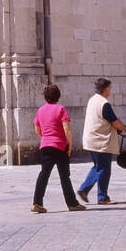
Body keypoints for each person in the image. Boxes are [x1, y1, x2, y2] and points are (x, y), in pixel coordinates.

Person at [31, 84, 84, 213]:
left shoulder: (40, 110)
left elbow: (37, 129)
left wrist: (45, 138)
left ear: (45, 96)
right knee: (64, 176)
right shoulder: (61, 109)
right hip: (60, 146)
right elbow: (67, 129)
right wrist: (70, 145)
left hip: (45, 146)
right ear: (58, 95)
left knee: (44, 174)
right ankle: (72, 204)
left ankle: (37, 203)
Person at [77, 78, 126, 205]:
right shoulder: (104, 103)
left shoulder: (92, 100)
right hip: (101, 141)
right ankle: (102, 197)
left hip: (91, 139)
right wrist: (125, 128)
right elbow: (115, 122)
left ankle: (84, 189)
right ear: (106, 89)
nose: (110, 91)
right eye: (109, 88)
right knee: (104, 169)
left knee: (98, 167)